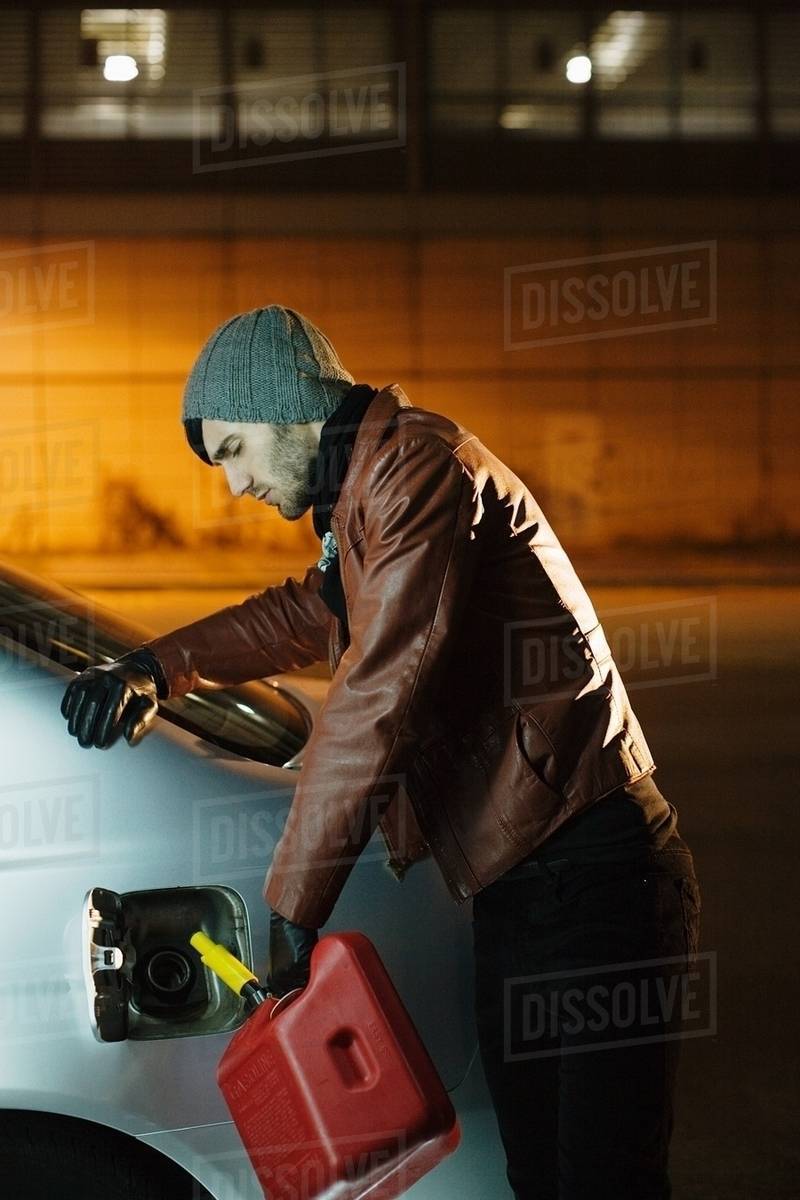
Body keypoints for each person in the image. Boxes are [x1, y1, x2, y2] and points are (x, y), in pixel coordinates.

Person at [60, 304, 701, 1198]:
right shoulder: (360, 496)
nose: (233, 486)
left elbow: (377, 692)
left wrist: (292, 904)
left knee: (604, 1184)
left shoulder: (418, 473)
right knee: (541, 1179)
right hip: (523, 891)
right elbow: (305, 614)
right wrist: (156, 666)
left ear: (288, 409)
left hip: (598, 879)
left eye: (234, 451)